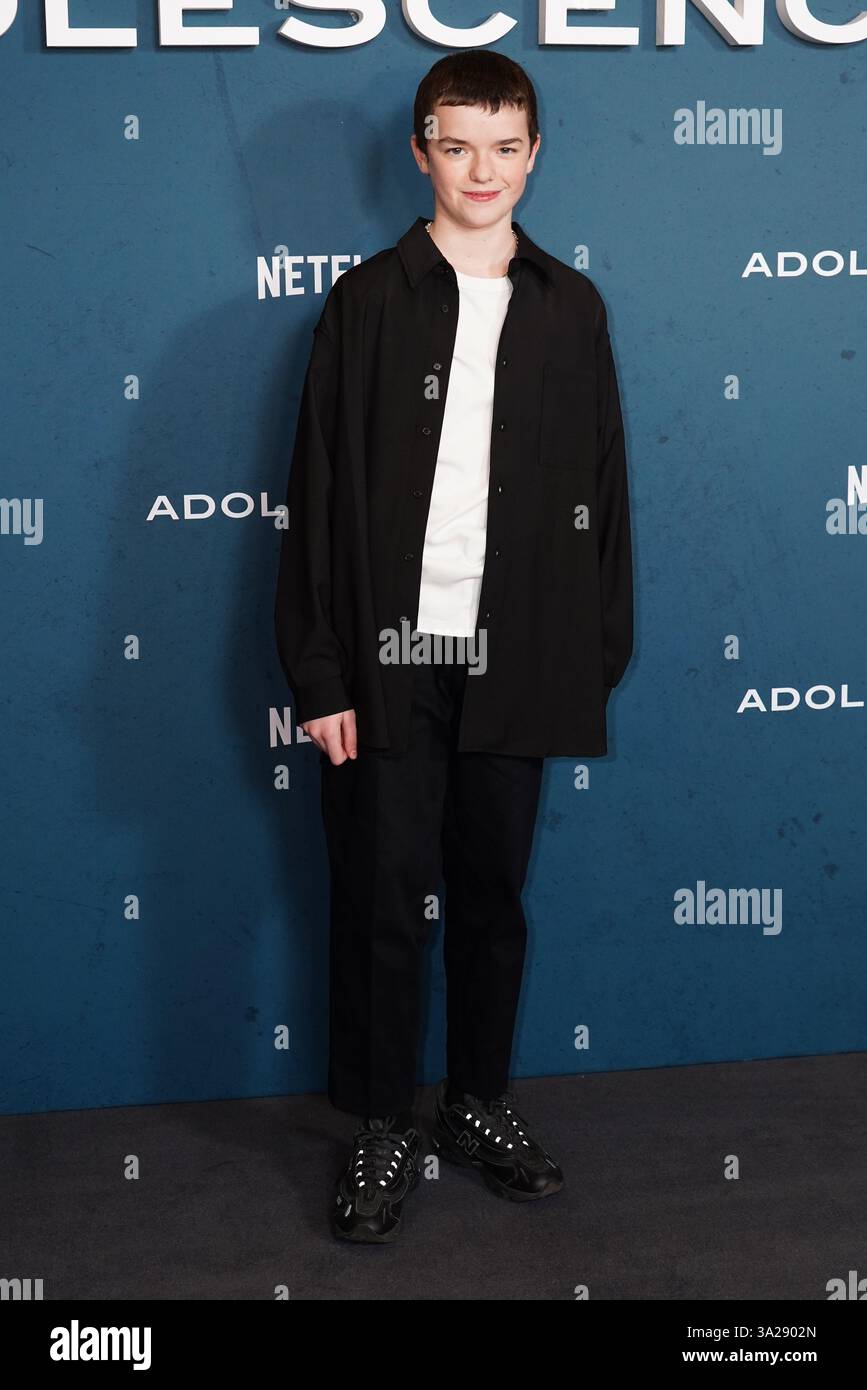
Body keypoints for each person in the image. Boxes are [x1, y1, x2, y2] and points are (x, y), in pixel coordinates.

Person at [274, 49, 633, 1243]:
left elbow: (604, 493)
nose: (483, 169)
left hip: (517, 655)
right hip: (387, 658)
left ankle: (479, 1102)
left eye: (506, 145)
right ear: (422, 152)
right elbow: (317, 493)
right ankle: (384, 1124)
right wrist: (319, 671)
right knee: (383, 896)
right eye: (458, 143)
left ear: (535, 155)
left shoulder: (572, 306)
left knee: (493, 895)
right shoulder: (369, 301)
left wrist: (588, 656)